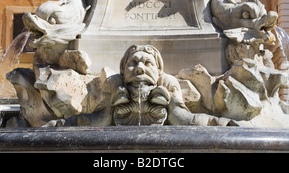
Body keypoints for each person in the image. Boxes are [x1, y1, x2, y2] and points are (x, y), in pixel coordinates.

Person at [45, 45, 236, 127]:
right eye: (133, 63)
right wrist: (61, 125)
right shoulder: (114, 83)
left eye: (148, 63)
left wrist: (221, 123)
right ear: (123, 69)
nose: (139, 69)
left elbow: (185, 119)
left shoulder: (167, 82)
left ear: (159, 71)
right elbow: (99, 118)